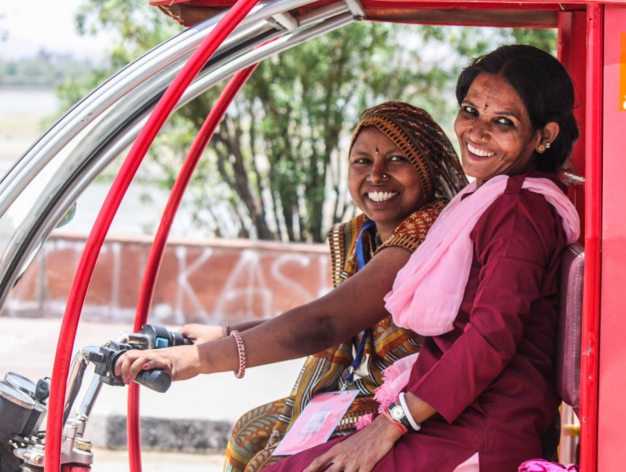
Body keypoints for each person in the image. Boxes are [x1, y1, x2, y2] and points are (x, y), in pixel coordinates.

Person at [257, 44, 581, 472]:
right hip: (452, 413)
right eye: (470, 111)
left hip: (481, 428)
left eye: (503, 122)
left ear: (545, 136)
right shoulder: (487, 196)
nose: (477, 132)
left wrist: (388, 426)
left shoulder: (519, 211)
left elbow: (489, 339)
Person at [114, 102, 467, 469]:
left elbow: (325, 324)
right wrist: (225, 333)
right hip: (364, 391)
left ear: (426, 169)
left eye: (396, 160)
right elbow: (332, 313)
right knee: (249, 432)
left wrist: (198, 360)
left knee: (272, 462)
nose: (376, 175)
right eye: (362, 161)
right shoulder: (364, 235)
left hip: (413, 402)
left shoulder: (429, 230)